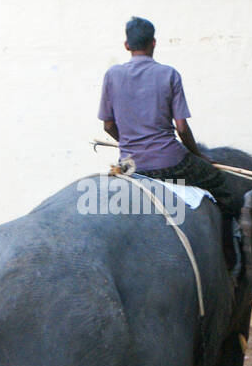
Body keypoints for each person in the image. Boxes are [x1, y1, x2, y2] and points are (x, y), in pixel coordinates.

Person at [98, 16, 244, 218]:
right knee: (221, 183)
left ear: (126, 45)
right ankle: (231, 245)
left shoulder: (112, 75)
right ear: (153, 43)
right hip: (170, 163)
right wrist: (198, 155)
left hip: (130, 164)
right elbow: (182, 128)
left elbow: (108, 125)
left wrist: (129, 143)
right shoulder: (169, 74)